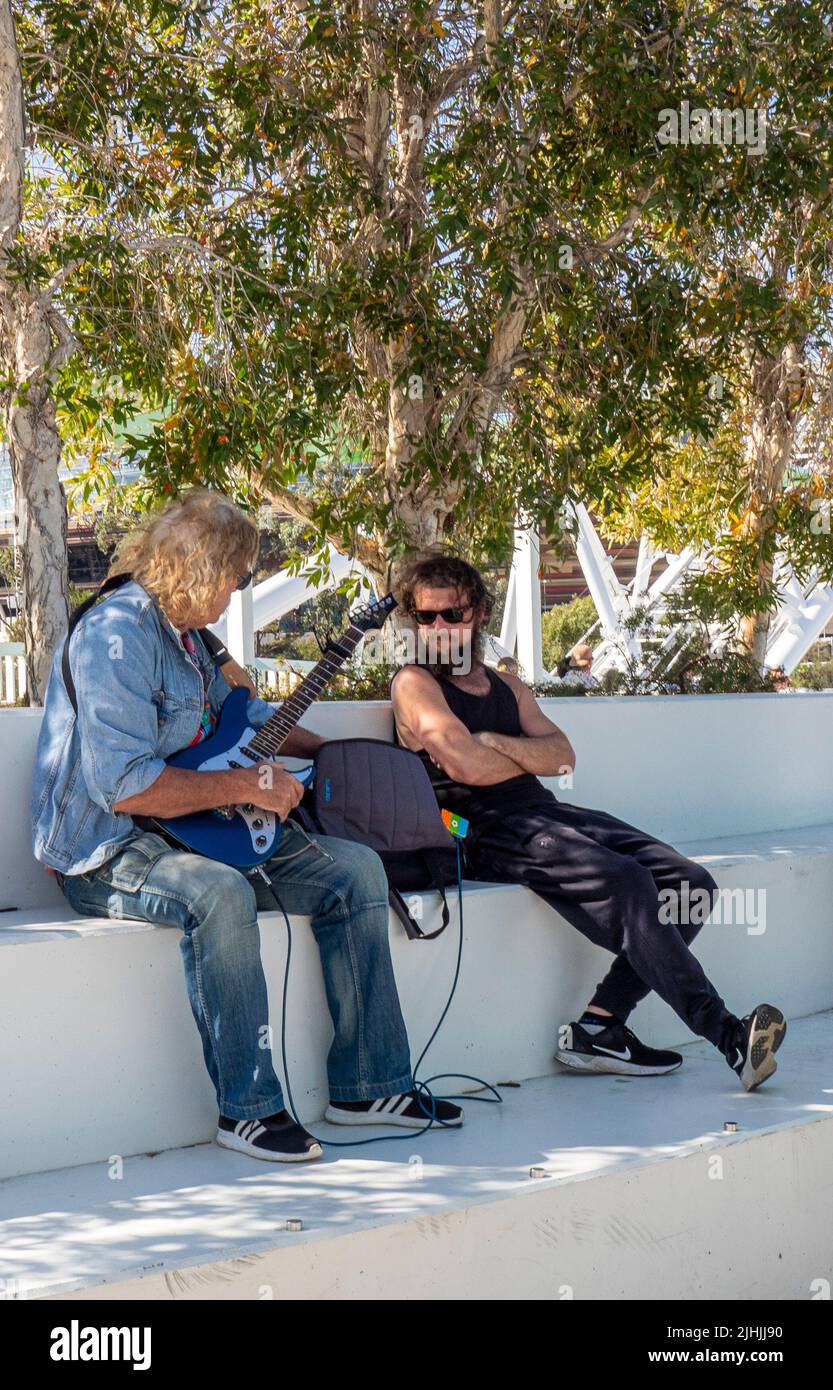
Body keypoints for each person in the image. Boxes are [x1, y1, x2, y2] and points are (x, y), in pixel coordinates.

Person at [31, 489, 463, 1163]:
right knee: (219, 895)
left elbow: (243, 718)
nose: (236, 593)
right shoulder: (116, 636)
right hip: (107, 851)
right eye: (233, 579)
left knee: (353, 871)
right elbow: (122, 786)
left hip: (198, 826)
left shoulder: (189, 637)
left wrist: (329, 753)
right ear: (202, 571)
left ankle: (368, 1085)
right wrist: (246, 785)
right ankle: (249, 1110)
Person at [390, 553, 786, 1091]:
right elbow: (466, 766)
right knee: (627, 881)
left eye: (451, 615)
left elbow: (564, 757)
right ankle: (728, 1035)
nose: (437, 629)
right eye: (426, 618)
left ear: (479, 613)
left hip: (544, 811)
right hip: (476, 830)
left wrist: (495, 744)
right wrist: (516, 754)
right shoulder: (415, 684)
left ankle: (599, 1025)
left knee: (689, 884)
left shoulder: (510, 688)